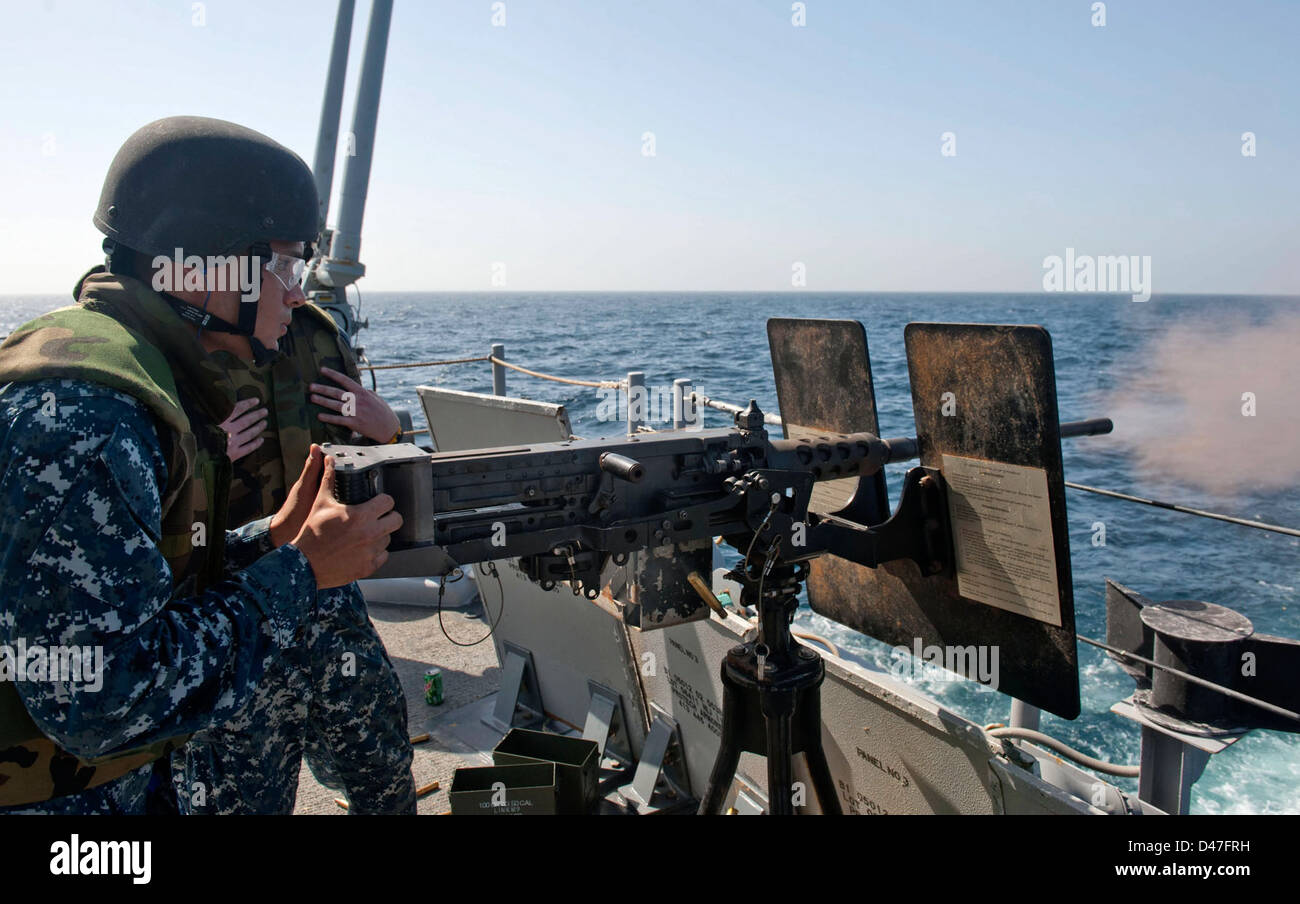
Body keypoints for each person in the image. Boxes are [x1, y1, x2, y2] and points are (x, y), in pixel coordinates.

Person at [0, 116, 400, 814]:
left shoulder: (132, 370)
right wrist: (301, 571)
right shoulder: (87, 415)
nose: (298, 292)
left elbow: (144, 593)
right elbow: (102, 702)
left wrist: (269, 541)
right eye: (283, 266)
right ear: (208, 267)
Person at [174, 298, 416, 815]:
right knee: (240, 797)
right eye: (280, 264)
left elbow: (376, 480)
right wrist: (198, 459)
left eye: (298, 266)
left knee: (383, 770)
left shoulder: (314, 335)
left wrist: (390, 431)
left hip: (330, 601)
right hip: (232, 609)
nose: (293, 288)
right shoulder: (166, 343)